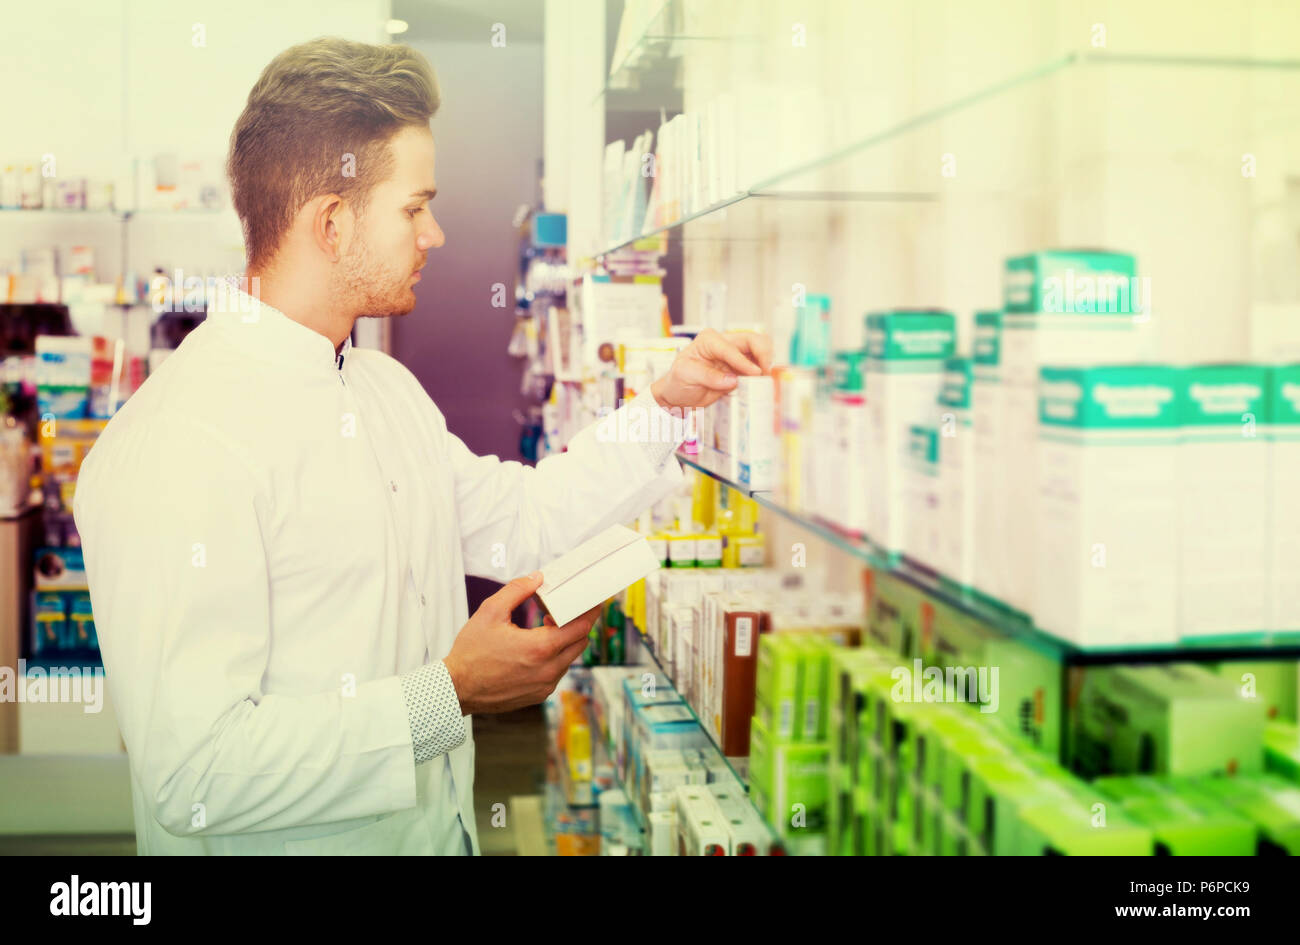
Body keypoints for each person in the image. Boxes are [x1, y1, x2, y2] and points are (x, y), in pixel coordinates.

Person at [72, 37, 772, 855]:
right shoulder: (175, 445)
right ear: (331, 223)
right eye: (413, 208)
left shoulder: (381, 389)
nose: (435, 234)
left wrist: (666, 403)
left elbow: (527, 518)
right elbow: (196, 773)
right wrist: (450, 693)